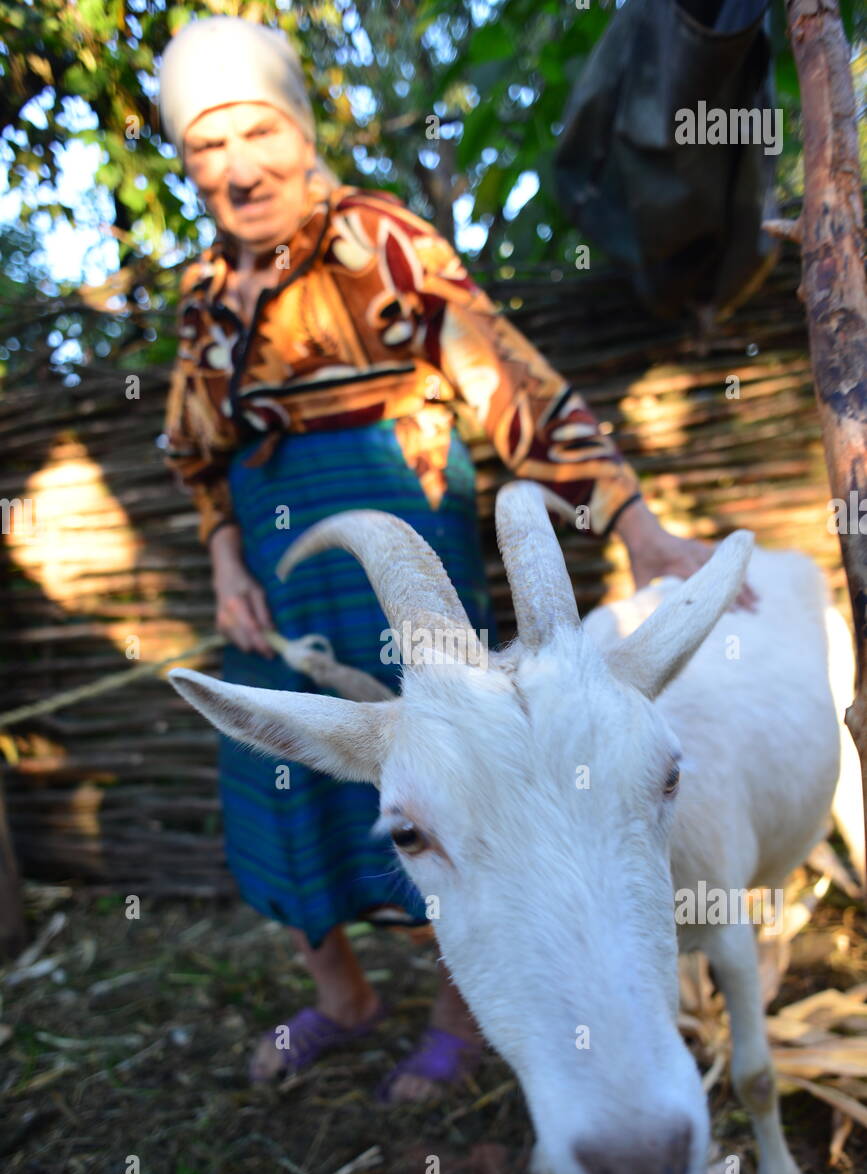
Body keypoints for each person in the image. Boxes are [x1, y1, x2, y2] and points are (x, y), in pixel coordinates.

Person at [158, 16, 754, 1103]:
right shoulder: (204, 298)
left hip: (400, 559)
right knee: (275, 782)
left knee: (454, 792)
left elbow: (513, 388)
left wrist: (636, 525)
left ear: (300, 131)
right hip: (279, 586)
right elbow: (200, 458)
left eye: (257, 132)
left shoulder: (382, 241)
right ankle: (345, 1000)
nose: (238, 169)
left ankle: (454, 1018)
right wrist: (224, 563)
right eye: (206, 146)